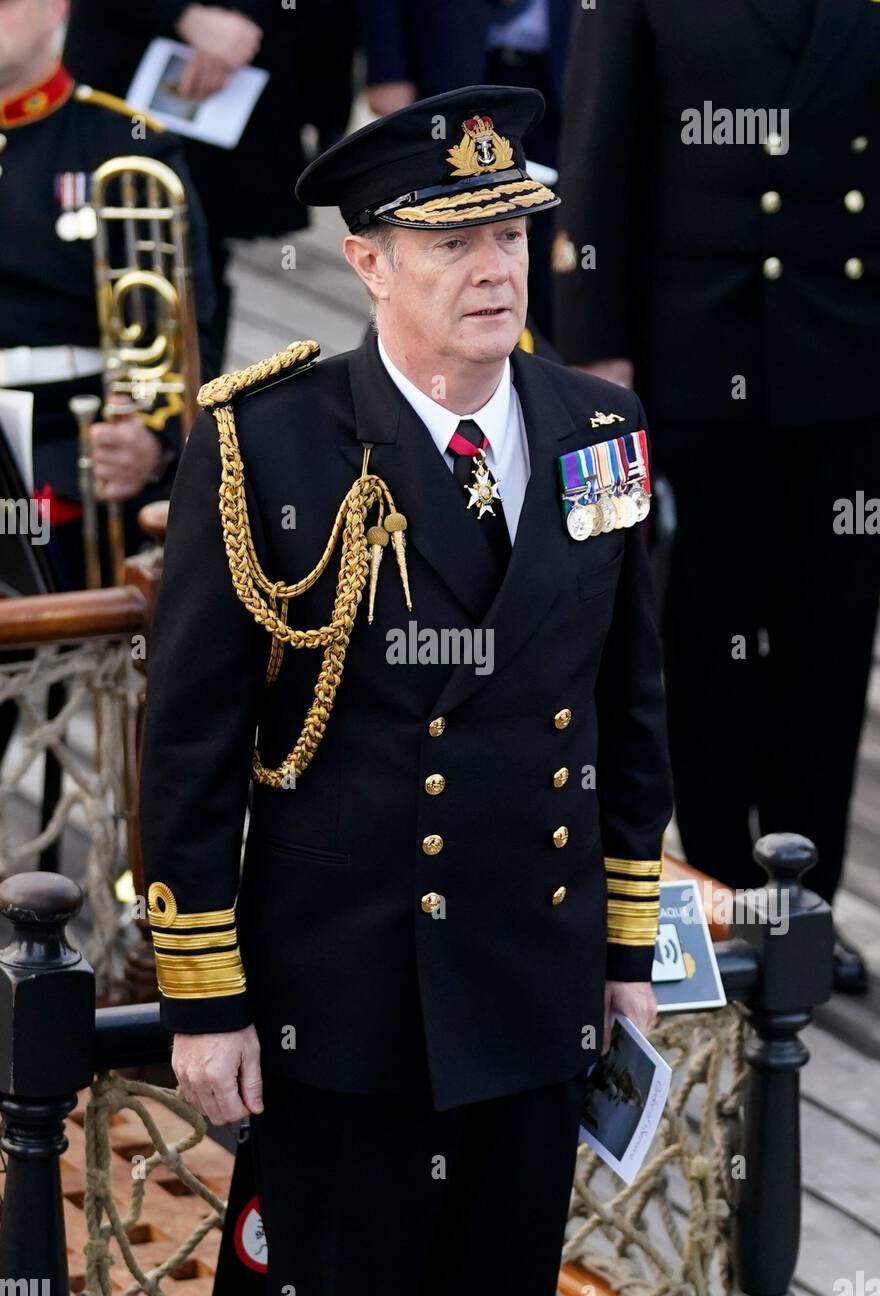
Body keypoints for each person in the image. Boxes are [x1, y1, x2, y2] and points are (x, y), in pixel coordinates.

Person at [138, 84, 673, 1296]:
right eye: (450, 242)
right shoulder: (266, 445)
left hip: (536, 992)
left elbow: (628, 707)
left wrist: (625, 947)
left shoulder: (600, 423)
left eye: (509, 235)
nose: (495, 270)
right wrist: (206, 1000)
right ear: (368, 262)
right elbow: (190, 744)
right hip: (347, 1003)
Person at [553, 0, 880, 992]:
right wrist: (597, 362)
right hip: (696, 355)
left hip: (851, 355)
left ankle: (800, 902)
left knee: (831, 638)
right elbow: (598, 158)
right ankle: (725, 892)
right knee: (708, 630)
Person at [0, 0, 217, 593]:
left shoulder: (124, 143)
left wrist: (153, 435)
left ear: (56, 7)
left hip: (72, 455)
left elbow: (181, 332)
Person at [64, 0, 359, 358]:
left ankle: (194, 405)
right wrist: (180, 12)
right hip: (123, 58)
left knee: (201, 262)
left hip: (248, 71)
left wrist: (248, 17)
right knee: (86, 242)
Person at [357, 0, 577, 337]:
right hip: (445, 61)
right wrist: (388, 67)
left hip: (561, 75)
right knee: (435, 234)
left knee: (546, 249)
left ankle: (530, 373)